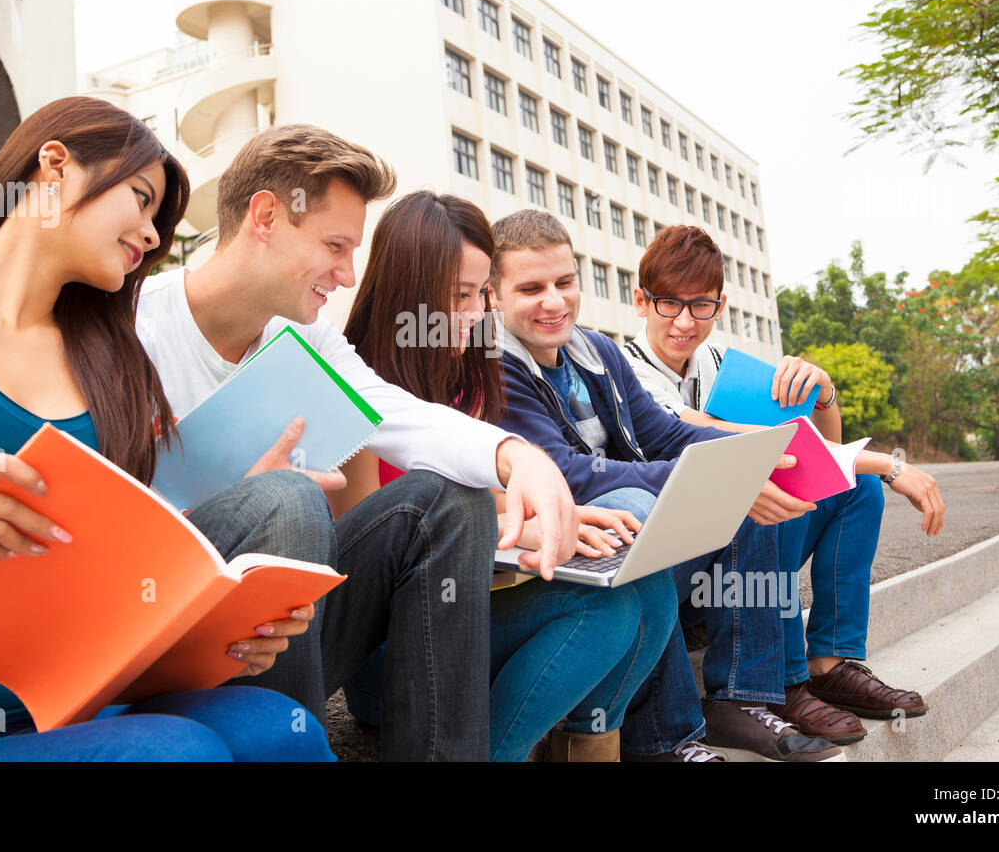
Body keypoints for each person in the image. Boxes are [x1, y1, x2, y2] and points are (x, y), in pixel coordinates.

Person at [0, 96, 332, 762]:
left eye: (156, 226)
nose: (148, 235)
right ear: (54, 165)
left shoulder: (112, 370)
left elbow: (111, 597)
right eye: (139, 199)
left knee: (281, 729)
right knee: (170, 751)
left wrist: (228, 630)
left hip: (54, 721)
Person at [134, 125, 580, 761]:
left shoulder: (306, 338)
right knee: (285, 500)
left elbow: (399, 413)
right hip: (166, 632)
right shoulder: (130, 326)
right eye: (335, 246)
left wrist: (517, 457)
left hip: (290, 638)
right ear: (266, 216)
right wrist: (245, 500)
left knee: (451, 501)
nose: (346, 275)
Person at [327, 191, 676, 761]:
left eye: (481, 292)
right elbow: (375, 554)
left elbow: (486, 497)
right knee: (601, 610)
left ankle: (589, 748)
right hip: (392, 647)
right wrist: (524, 530)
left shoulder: (468, 370)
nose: (475, 312)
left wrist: (558, 517)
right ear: (407, 294)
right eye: (459, 295)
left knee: (641, 570)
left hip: (468, 607)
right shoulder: (353, 381)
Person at [489, 208, 844, 762]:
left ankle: (739, 700)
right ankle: (664, 738)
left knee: (737, 480)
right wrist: (696, 475)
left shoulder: (597, 353)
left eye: (564, 282)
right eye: (531, 288)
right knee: (642, 507)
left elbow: (666, 433)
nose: (553, 301)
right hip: (565, 562)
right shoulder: (496, 366)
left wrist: (746, 461)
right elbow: (565, 473)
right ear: (493, 295)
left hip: (627, 544)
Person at [621, 224, 945, 742]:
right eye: (668, 304)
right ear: (641, 301)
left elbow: (817, 454)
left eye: (700, 305)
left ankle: (830, 665)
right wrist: (891, 464)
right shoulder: (626, 370)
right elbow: (741, 445)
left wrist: (824, 392)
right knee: (757, 480)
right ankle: (785, 682)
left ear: (719, 305)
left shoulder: (722, 364)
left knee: (852, 490)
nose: (684, 321)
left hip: (744, 553)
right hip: (684, 570)